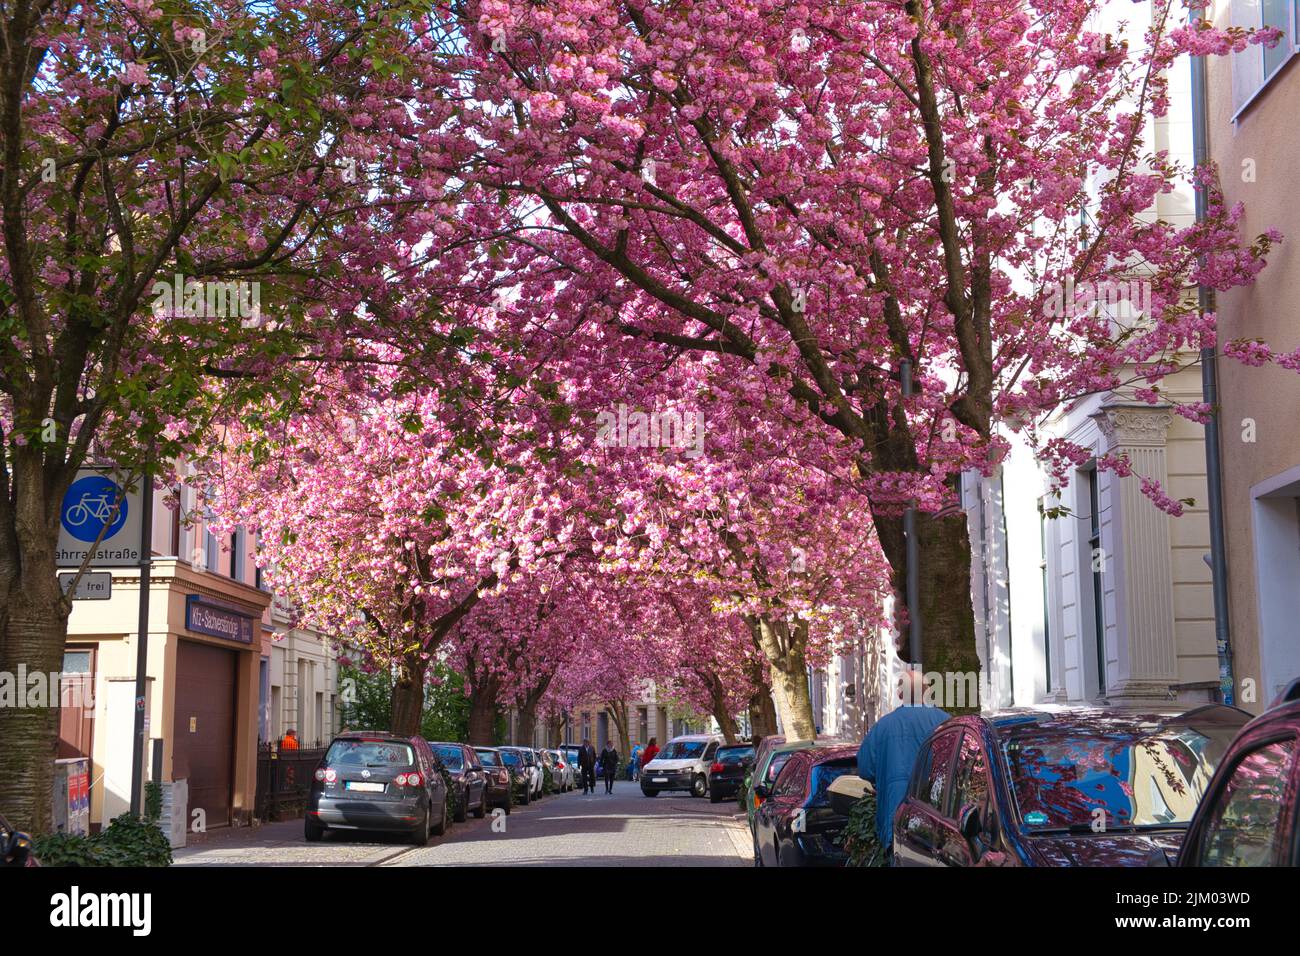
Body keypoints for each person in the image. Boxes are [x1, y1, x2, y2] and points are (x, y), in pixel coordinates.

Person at [857, 669, 950, 865]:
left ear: (900, 694)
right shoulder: (945, 721)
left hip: (896, 812)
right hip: (940, 816)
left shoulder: (883, 726)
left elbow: (865, 768)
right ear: (927, 692)